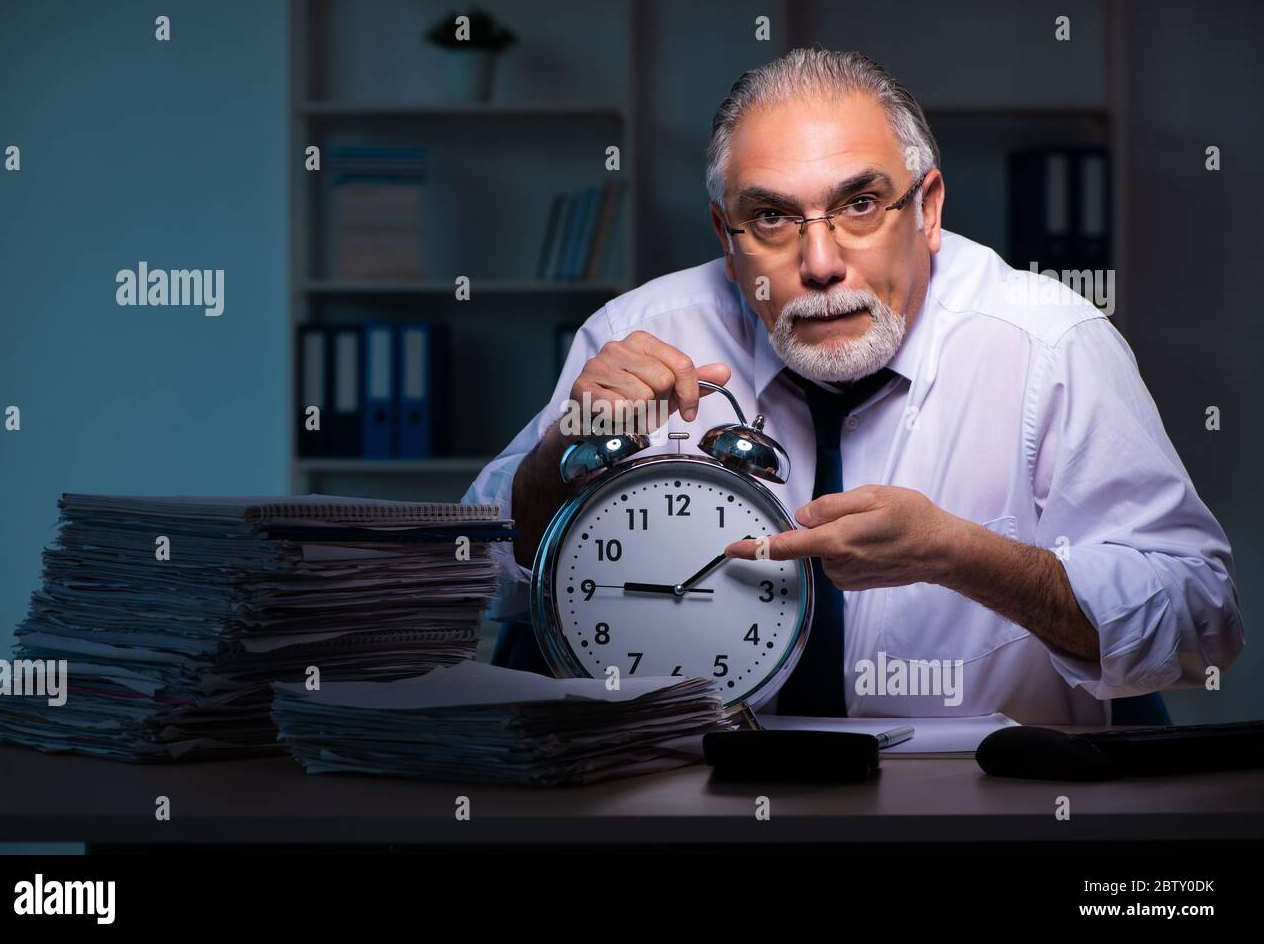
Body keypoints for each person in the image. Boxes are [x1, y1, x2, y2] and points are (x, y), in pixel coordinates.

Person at [462, 48, 1242, 725]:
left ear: (928, 208)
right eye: (771, 217)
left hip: (978, 813)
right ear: (725, 239)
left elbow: (1203, 623)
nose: (821, 262)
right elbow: (470, 578)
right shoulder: (636, 331)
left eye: (860, 205)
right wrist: (559, 453)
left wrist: (961, 554)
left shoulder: (1051, 343)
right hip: (693, 803)